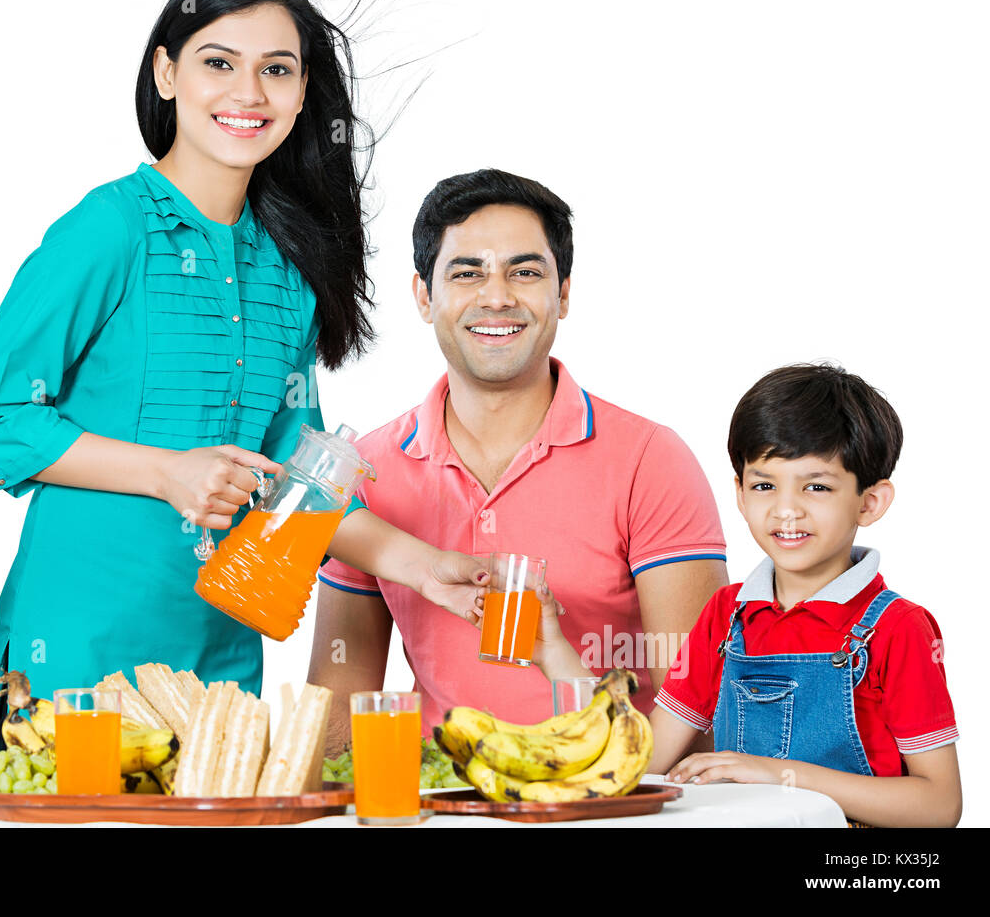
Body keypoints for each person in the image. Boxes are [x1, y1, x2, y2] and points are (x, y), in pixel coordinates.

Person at [0, 0, 484, 770]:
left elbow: (296, 482)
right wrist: (169, 473)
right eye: (218, 62)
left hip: (219, 653)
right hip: (82, 646)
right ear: (167, 72)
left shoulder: (290, 270)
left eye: (277, 70)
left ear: (303, 94)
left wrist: (425, 565)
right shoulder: (107, 231)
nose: (250, 93)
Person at [309, 169, 729, 751]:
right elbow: (340, 701)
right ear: (425, 297)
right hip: (439, 806)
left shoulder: (650, 461)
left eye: (525, 272)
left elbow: (699, 698)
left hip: (607, 807)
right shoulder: (366, 469)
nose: (497, 296)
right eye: (467, 273)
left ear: (562, 294)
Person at [648, 364, 962, 827]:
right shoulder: (725, 615)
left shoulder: (897, 628)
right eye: (764, 485)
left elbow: (939, 806)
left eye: (816, 486)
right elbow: (648, 759)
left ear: (869, 502)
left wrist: (779, 775)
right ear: (739, 494)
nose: (786, 509)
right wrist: (555, 652)